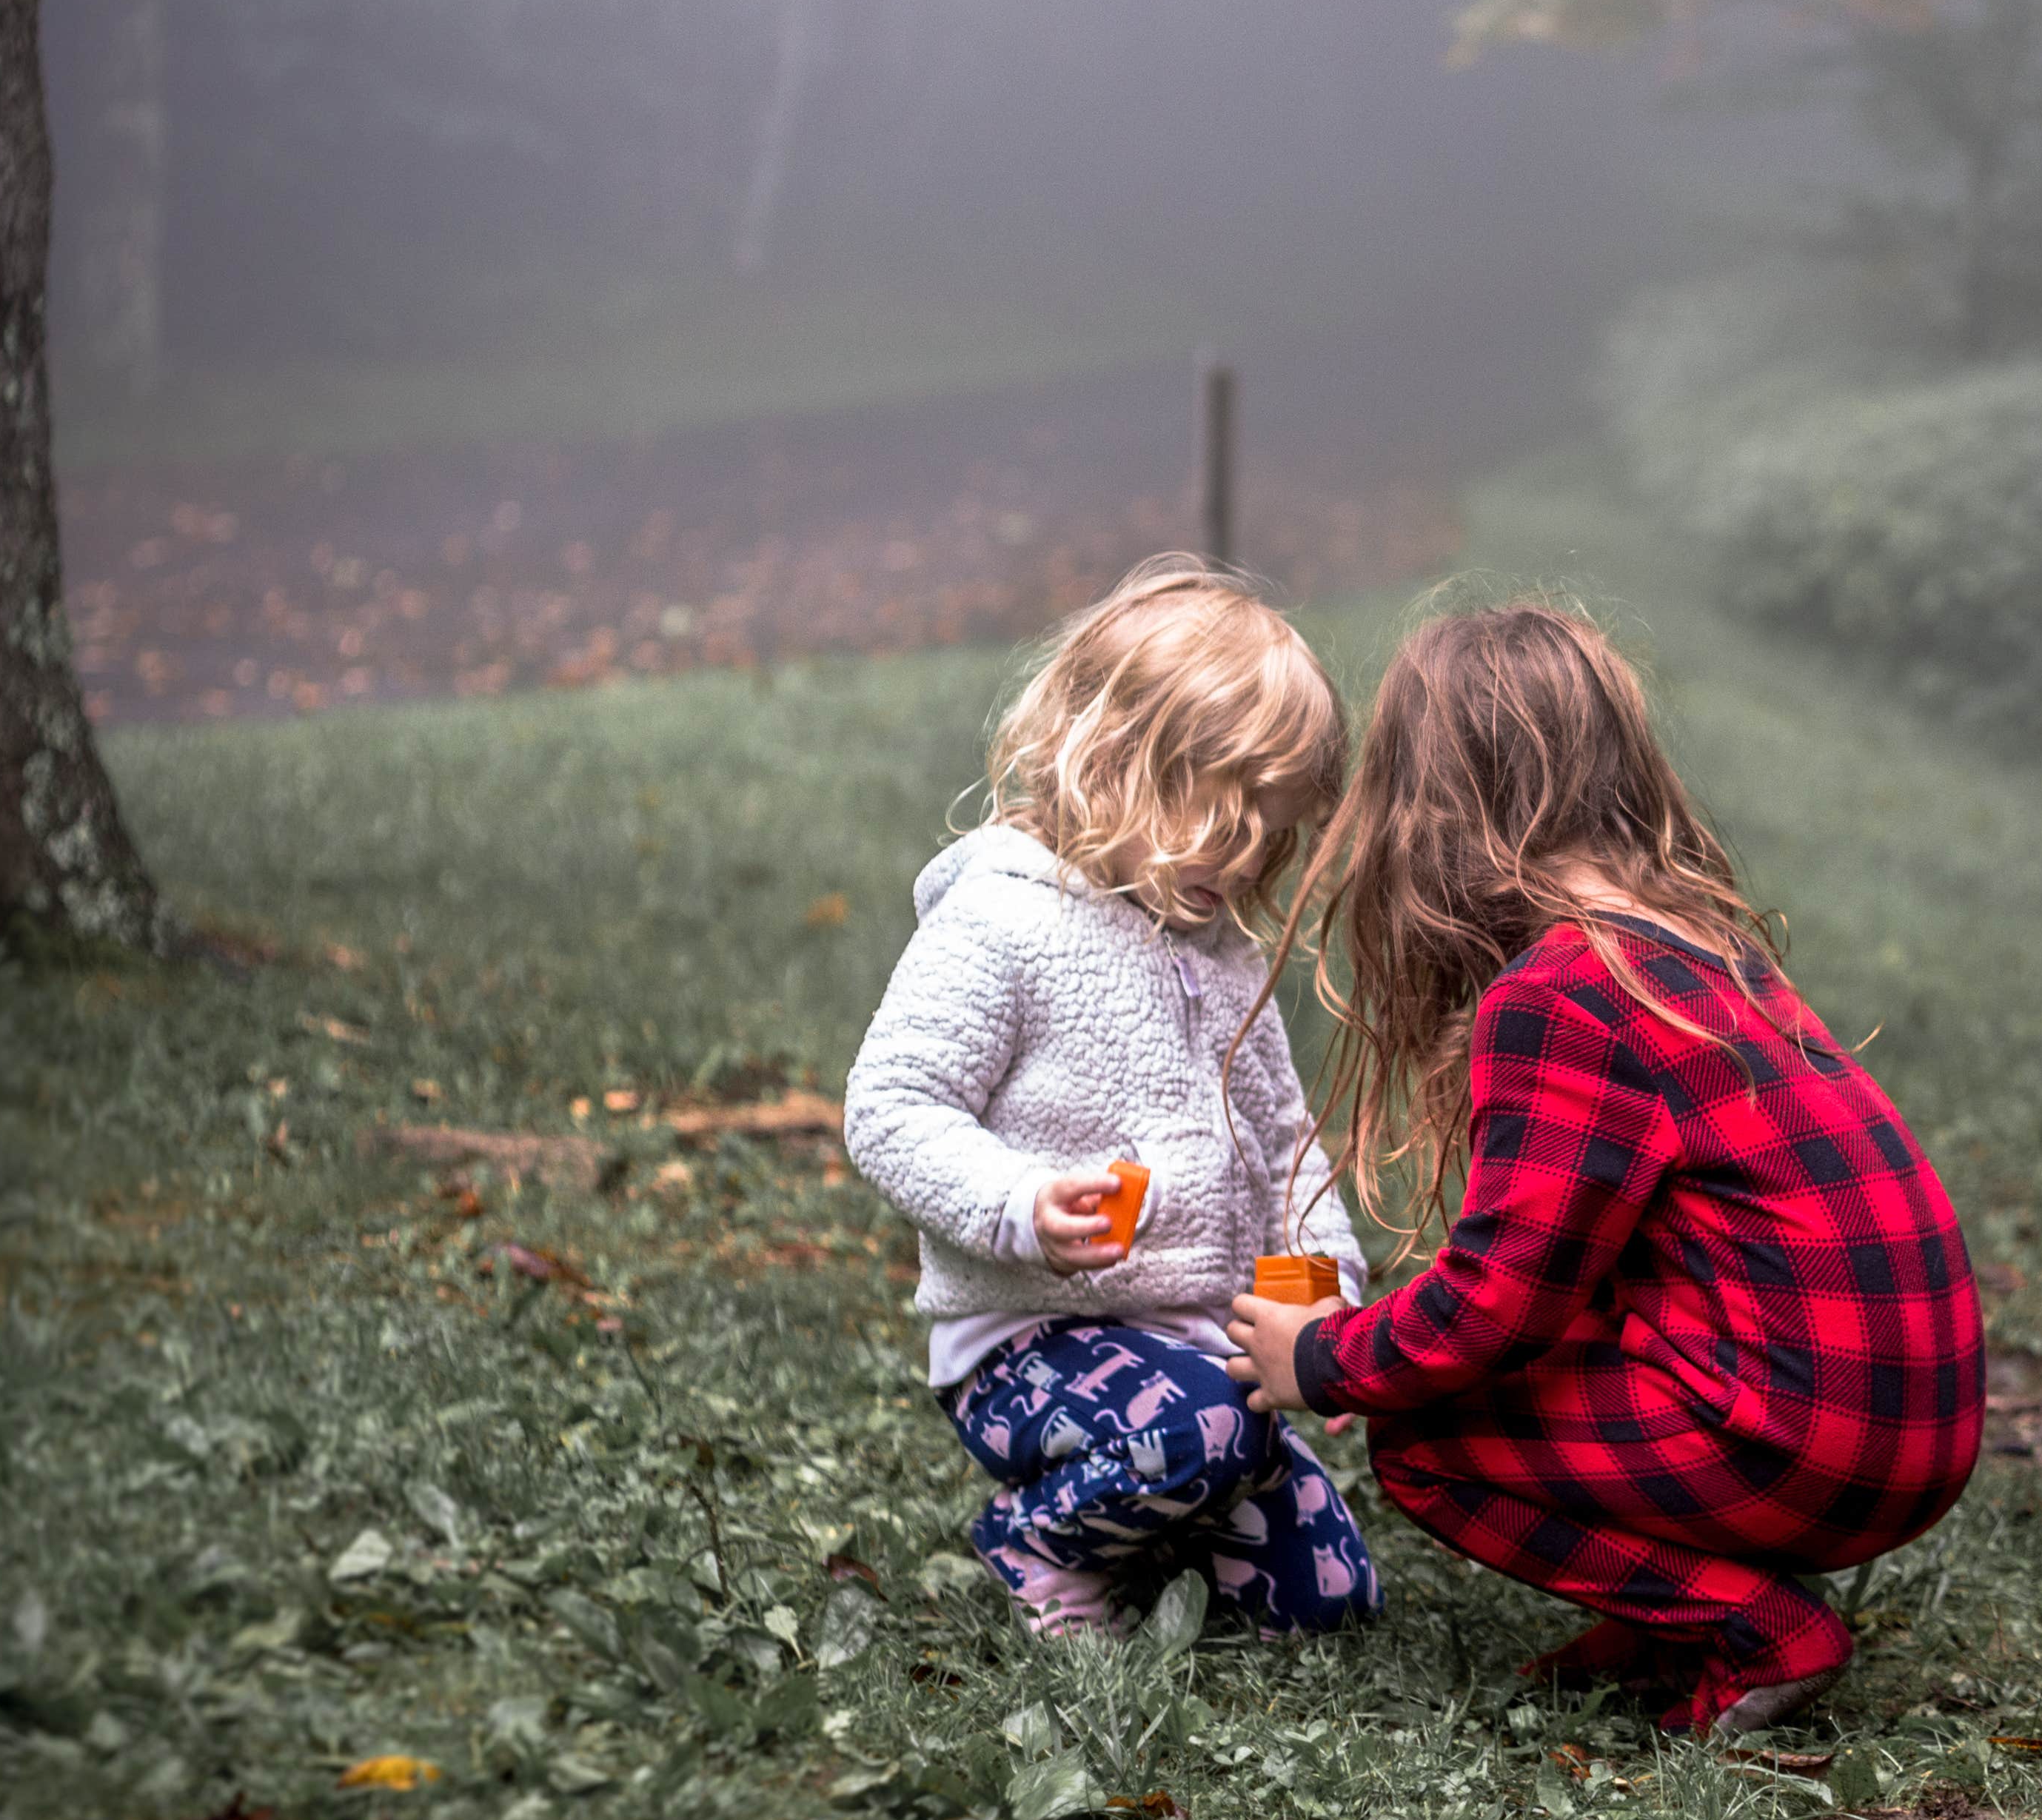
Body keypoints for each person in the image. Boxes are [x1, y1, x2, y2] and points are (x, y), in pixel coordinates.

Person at [1226, 603, 1979, 1734]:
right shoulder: (1690, 941)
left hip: (1814, 1439)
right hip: (1915, 1425)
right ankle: (1663, 1617)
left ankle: (1758, 1627)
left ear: (1431, 806)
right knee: (1553, 1359)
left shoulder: (1566, 994)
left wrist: (1323, 1358)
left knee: (1426, 1441)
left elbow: (1497, 1307)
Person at [845, 558, 1379, 1641]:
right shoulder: (1003, 921)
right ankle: (1033, 1535)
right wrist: (1022, 1205)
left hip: (1195, 1355)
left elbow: (1286, 1151)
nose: (1243, 852)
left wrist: (1313, 1293)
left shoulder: (1227, 955)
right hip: (1031, 1343)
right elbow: (891, 1104)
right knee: (1209, 1427)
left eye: (1271, 827)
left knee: (1326, 1597)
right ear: (1111, 754)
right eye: (1217, 807)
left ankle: (1154, 1539)